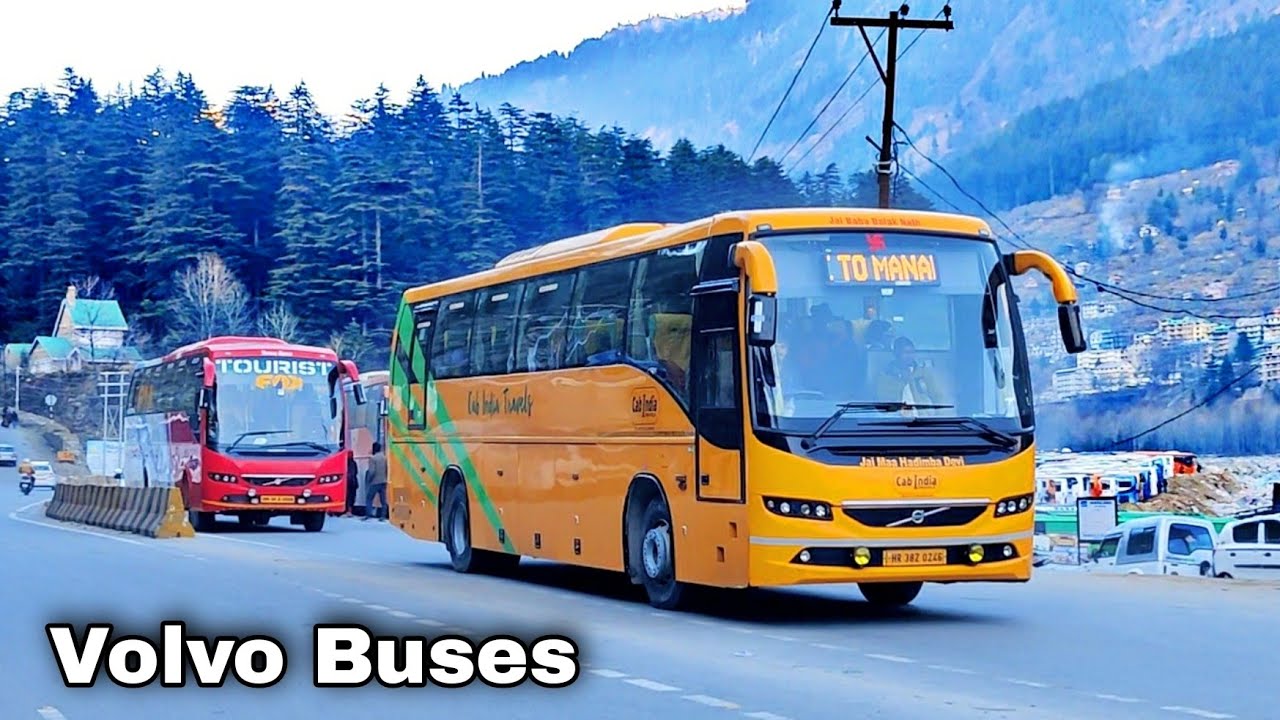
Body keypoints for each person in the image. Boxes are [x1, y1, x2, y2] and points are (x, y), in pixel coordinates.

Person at [876, 336, 941, 405]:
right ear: (896, 354)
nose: (910, 356)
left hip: (922, 413)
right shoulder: (886, 374)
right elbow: (883, 399)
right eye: (906, 352)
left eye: (912, 352)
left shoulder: (923, 373)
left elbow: (936, 395)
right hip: (896, 413)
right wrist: (903, 380)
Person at [362, 442, 388, 521]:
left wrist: (369, 480)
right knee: (383, 500)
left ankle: (368, 515)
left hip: (375, 482)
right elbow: (387, 469)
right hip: (383, 481)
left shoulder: (373, 459)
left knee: (369, 498)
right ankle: (383, 516)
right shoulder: (384, 458)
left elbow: (372, 471)